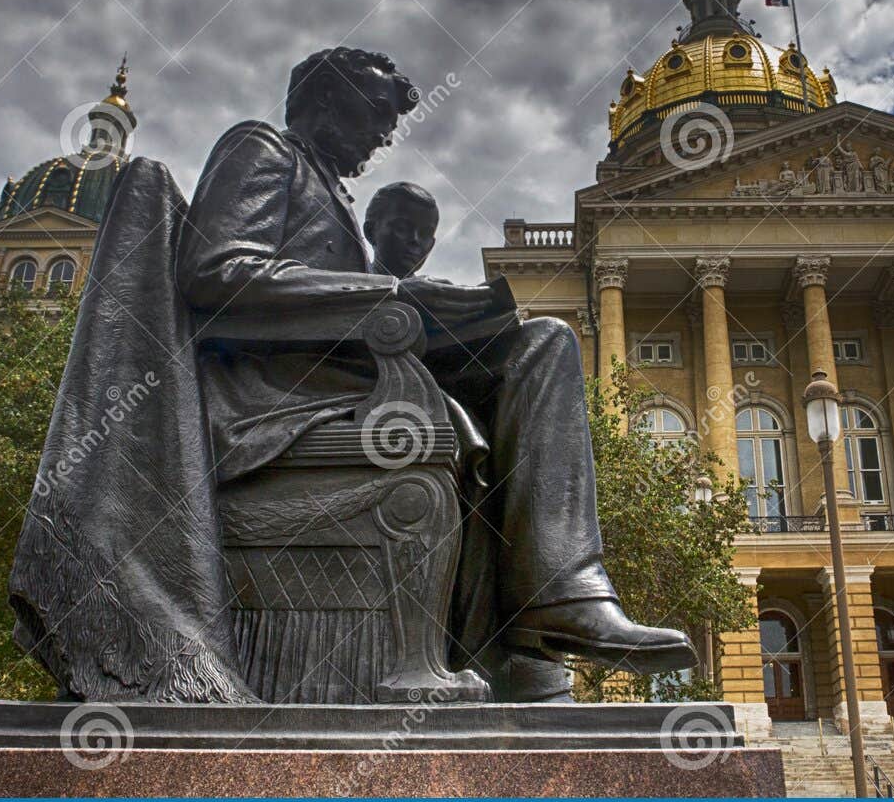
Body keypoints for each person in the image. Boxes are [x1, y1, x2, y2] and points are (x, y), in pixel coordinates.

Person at [176, 47, 694, 698]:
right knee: (464, 403)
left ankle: (556, 599)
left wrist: (447, 321)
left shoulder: (328, 190)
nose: (385, 135)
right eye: (377, 115)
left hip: (342, 386)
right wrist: (392, 298)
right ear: (329, 99)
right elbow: (215, 277)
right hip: (273, 403)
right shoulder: (263, 150)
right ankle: (492, 635)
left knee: (541, 343)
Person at [364, 181, 440, 278]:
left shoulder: (438, 292)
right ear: (370, 232)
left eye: (425, 234)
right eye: (402, 229)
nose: (415, 239)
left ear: (432, 245)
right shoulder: (348, 286)